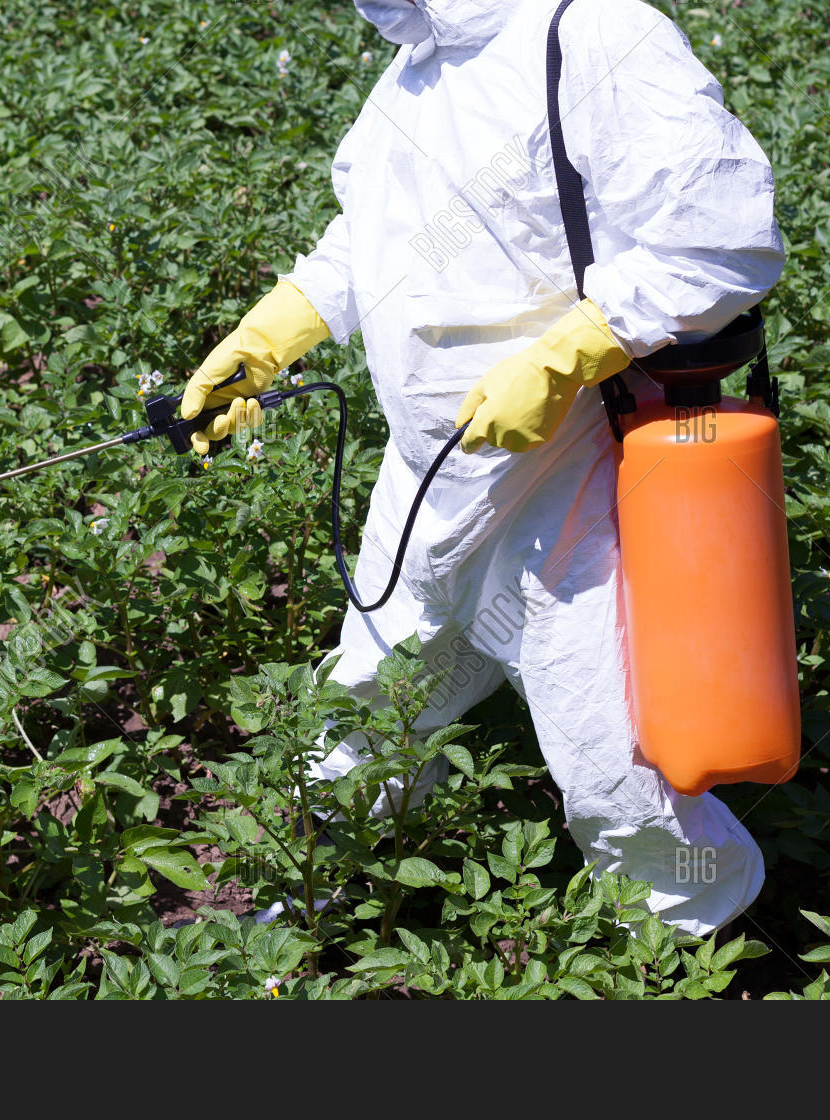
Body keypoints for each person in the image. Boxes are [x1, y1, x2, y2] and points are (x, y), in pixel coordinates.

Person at [181, 0, 785, 936]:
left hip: (568, 469)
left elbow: (718, 232)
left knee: (605, 749)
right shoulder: (414, 74)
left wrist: (576, 348)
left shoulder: (592, 33)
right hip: (427, 469)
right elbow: (377, 243)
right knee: (373, 692)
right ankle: (317, 893)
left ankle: (697, 937)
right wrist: (280, 326)